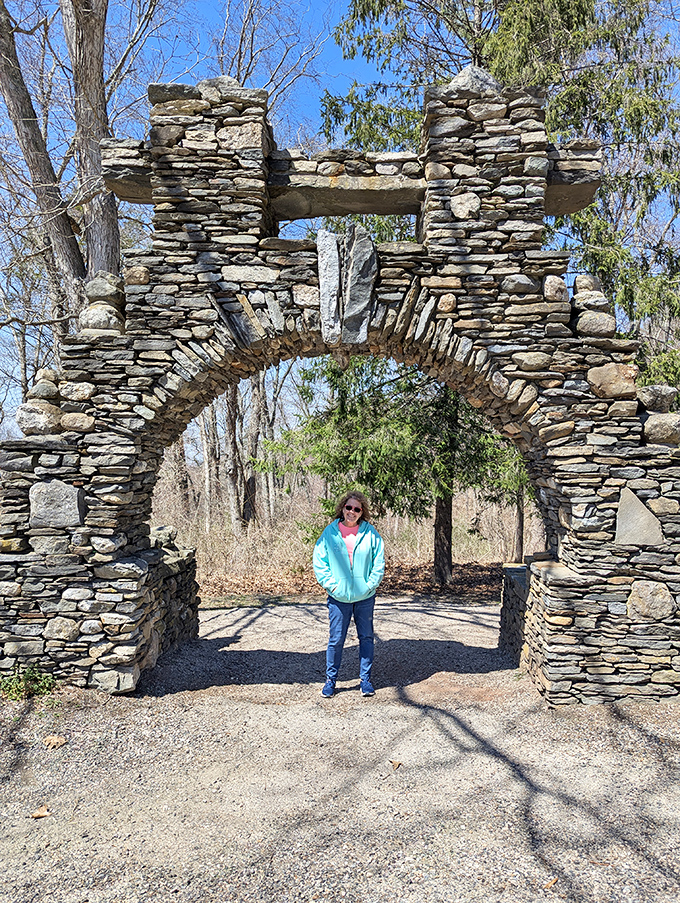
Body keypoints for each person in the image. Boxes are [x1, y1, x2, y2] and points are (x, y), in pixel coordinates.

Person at [313, 491, 385, 698]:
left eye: (356, 509)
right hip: (338, 598)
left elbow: (378, 562)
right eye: (348, 507)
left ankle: (366, 680)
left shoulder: (371, 533)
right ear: (342, 508)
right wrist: (331, 586)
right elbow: (320, 562)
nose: (351, 512)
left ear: (362, 512)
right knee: (336, 640)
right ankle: (330, 681)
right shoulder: (330, 533)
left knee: (366, 638)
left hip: (364, 597)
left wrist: (370, 585)